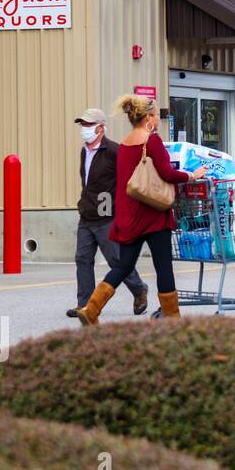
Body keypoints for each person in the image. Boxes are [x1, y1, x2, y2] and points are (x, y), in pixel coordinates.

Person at [74, 95, 205, 325]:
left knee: (123, 266)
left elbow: (125, 181)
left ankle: (91, 309)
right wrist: (192, 175)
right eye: (155, 116)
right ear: (148, 118)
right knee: (163, 267)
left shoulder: (124, 144)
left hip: (129, 217)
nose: (157, 121)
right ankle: (173, 318)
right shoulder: (151, 141)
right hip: (153, 215)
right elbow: (166, 173)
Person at [68, 108, 148, 319]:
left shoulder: (114, 150)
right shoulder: (84, 151)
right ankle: (85, 304)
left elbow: (130, 178)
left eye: (88, 125)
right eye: (82, 125)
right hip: (86, 214)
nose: (84, 130)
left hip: (107, 215)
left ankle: (139, 289)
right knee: (82, 259)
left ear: (101, 128)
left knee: (116, 260)